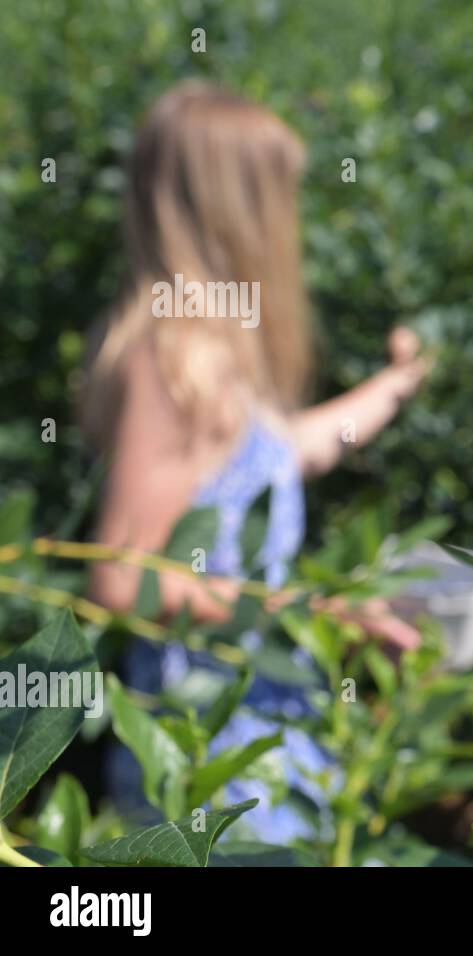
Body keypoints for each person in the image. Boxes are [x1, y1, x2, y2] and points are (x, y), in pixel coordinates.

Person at [81, 81, 429, 841]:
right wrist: (319, 616)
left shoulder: (205, 351)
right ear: (241, 211)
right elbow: (120, 574)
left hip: (247, 725)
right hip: (209, 746)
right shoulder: (176, 360)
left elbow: (289, 448)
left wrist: (394, 387)